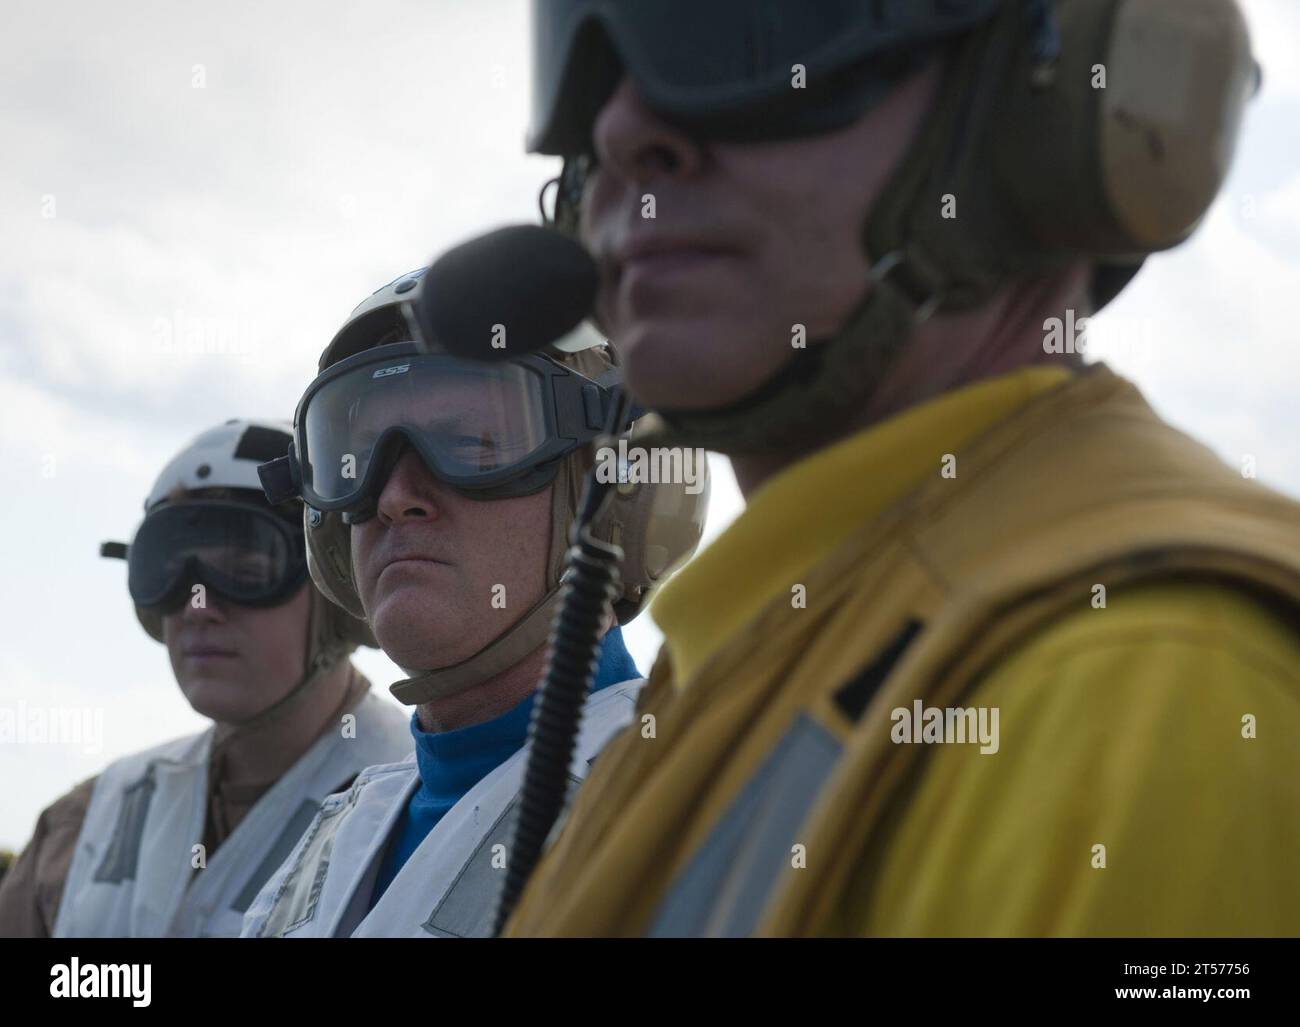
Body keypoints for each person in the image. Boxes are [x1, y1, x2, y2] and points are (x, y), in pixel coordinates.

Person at [499, 0, 1300, 935]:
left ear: (1048, 102)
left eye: (750, 35)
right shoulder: (770, 630)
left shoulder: (1143, 690)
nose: (624, 126)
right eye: (588, 56)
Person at [241, 269, 706, 936]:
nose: (396, 494)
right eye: (359, 453)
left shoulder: (691, 799)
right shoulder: (333, 838)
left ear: (618, 486)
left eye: (471, 441)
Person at [0, 419, 411, 937]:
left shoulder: (422, 810)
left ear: (335, 587)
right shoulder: (81, 825)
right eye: (168, 568)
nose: (198, 606)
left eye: (246, 566)